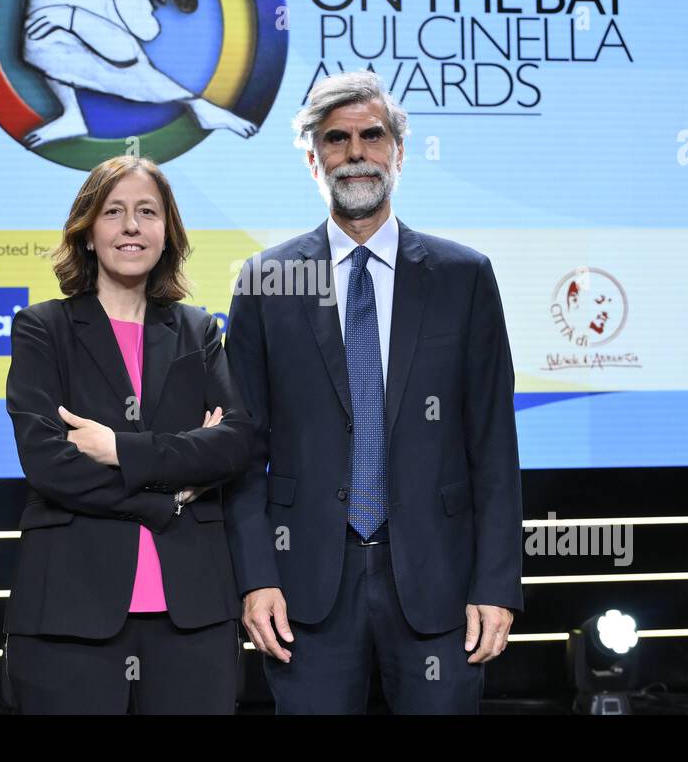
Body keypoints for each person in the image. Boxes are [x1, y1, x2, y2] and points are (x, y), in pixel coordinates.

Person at [224, 71, 524, 714]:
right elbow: (242, 453)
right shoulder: (265, 279)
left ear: (398, 153)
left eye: (372, 136)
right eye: (336, 139)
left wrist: (497, 584)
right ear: (313, 161)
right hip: (302, 588)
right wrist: (256, 578)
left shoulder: (463, 276)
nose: (355, 152)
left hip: (440, 587)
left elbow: (493, 443)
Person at [3, 154, 256, 714]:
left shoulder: (198, 331)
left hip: (193, 617)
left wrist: (118, 449)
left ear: (167, 233)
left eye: (148, 211)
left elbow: (235, 442)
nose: (132, 226)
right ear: (88, 233)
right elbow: (50, 463)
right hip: (69, 616)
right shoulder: (43, 329)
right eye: (113, 212)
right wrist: (169, 493)